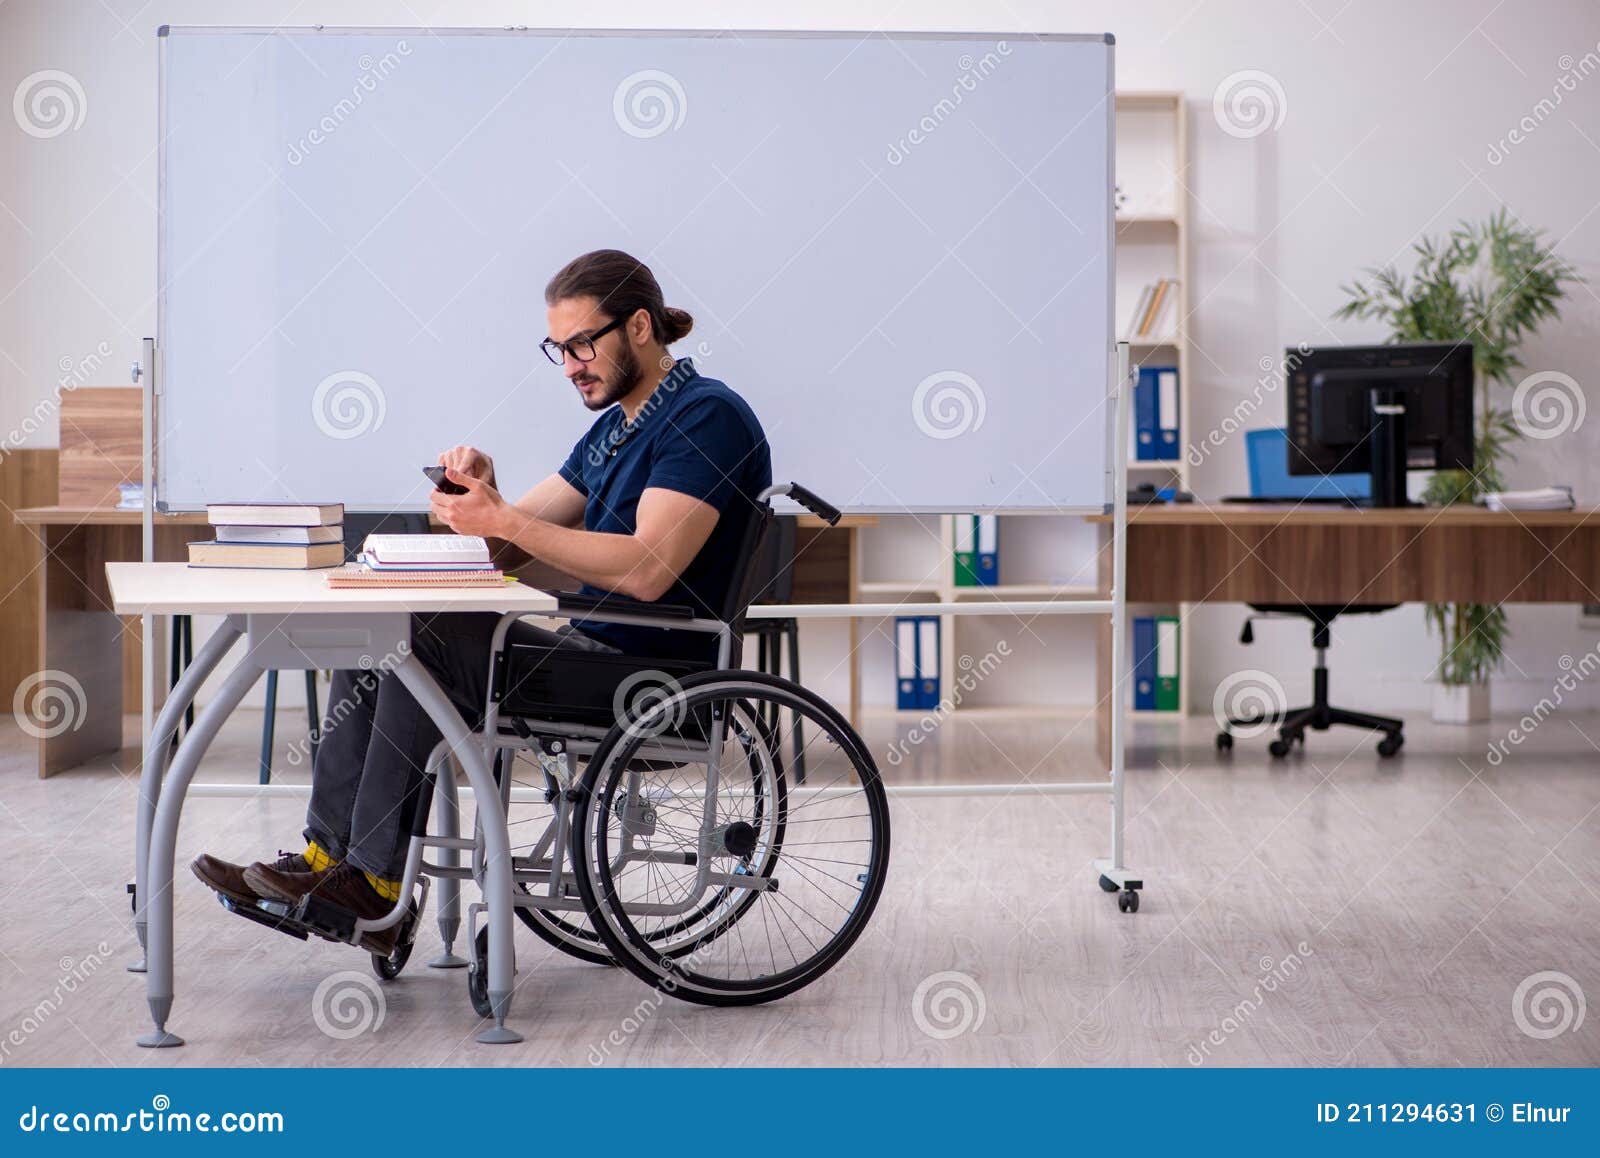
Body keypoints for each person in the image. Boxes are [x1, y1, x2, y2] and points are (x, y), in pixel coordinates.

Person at [192, 249, 772, 953]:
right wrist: (483, 504)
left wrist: (505, 519)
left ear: (641, 327)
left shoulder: (703, 417)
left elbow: (649, 570)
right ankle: (330, 861)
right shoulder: (616, 429)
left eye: (583, 344)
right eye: (559, 349)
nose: (570, 365)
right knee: (382, 622)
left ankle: (375, 886)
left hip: (652, 680)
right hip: (598, 653)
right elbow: (504, 548)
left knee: (419, 635)